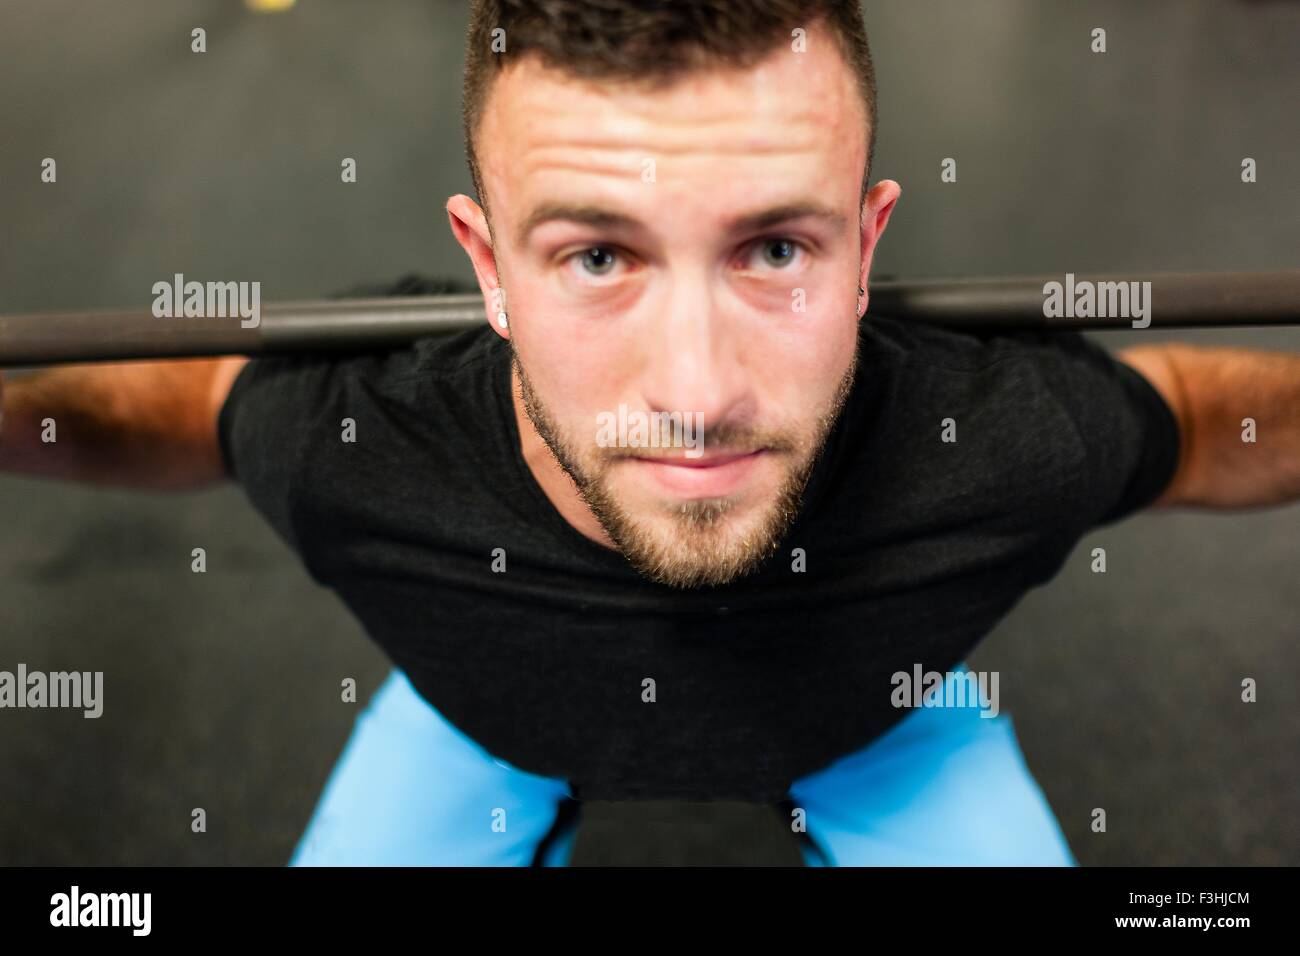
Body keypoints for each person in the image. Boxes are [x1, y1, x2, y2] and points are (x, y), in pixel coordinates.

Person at [2, 0, 1297, 866]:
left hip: (873, 713)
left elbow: (1200, 417)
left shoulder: (1008, 439)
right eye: (598, 256)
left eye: (777, 247)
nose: (696, 387)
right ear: (486, 267)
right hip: (484, 713)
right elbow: (176, 400)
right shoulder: (352, 438)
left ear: (868, 249)